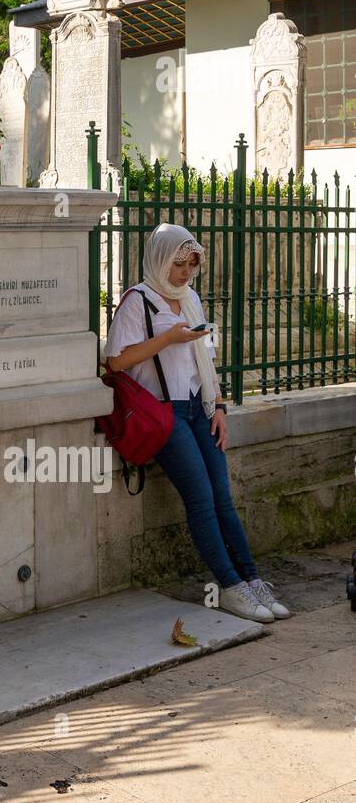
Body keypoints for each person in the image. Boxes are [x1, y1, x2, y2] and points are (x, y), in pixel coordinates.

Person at [103, 223, 291, 624]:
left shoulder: (189, 299)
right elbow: (116, 361)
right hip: (163, 411)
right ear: (159, 259)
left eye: (191, 264)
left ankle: (253, 580)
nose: (186, 272)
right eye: (178, 264)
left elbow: (206, 355)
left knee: (223, 498)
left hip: (198, 406)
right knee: (201, 501)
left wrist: (219, 407)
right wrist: (167, 339)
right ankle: (229, 587)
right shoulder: (138, 301)